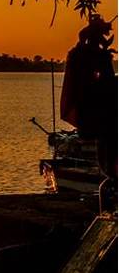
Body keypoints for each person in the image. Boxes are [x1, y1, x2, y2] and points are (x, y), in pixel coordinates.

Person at [60, 15, 117, 183]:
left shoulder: (83, 54)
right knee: (108, 142)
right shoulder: (88, 56)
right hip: (96, 108)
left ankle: (111, 175)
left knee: (108, 143)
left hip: (97, 109)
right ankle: (112, 176)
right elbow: (106, 80)